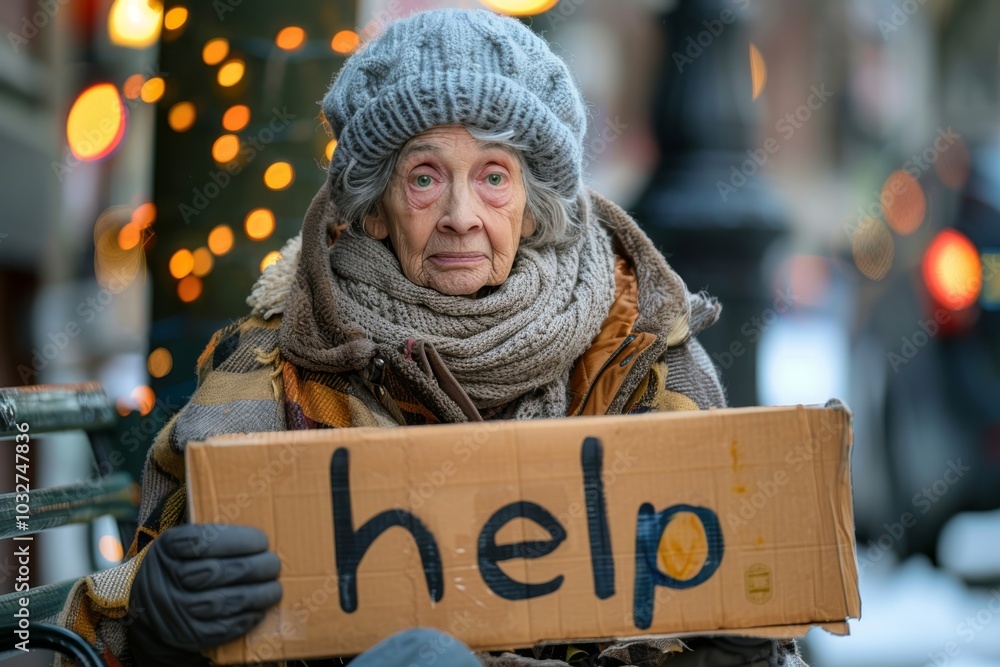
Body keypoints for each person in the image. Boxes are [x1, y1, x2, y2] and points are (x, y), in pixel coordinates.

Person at [57, 8, 804, 667]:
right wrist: (154, 623)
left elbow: (742, 599)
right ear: (375, 206)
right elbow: (118, 633)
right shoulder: (275, 367)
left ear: (534, 208)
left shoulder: (639, 355)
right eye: (423, 177)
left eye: (493, 177)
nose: (459, 215)